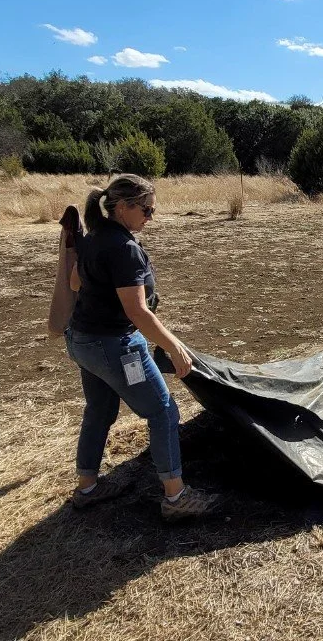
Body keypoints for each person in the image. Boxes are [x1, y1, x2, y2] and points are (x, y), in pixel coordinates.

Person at [64, 173, 221, 522]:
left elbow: (75, 281)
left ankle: (87, 487)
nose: (151, 217)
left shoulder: (95, 236)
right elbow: (137, 311)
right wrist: (175, 347)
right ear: (123, 208)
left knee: (100, 411)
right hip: (113, 346)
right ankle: (176, 497)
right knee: (163, 412)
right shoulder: (124, 249)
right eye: (147, 210)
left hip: (82, 341)